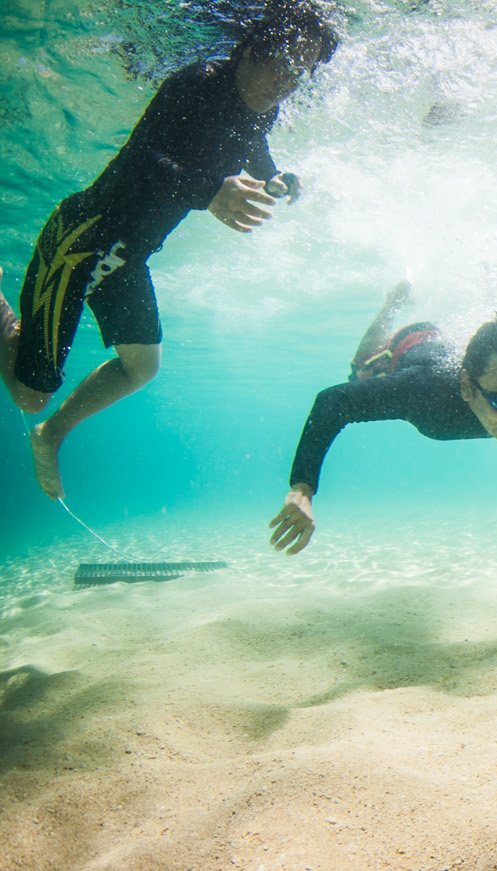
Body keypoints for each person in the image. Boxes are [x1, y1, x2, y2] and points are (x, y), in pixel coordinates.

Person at [0, 0, 340, 501]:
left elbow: (253, 150)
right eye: (283, 62)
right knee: (31, 395)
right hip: (82, 239)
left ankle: (51, 435)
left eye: (301, 71)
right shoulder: (200, 83)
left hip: (125, 259)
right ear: (249, 48)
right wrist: (210, 194)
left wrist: (277, 177)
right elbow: (145, 159)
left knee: (142, 366)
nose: (288, 81)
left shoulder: (261, 112)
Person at [267, 283, 497, 557]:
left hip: (450, 344)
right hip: (409, 343)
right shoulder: (421, 391)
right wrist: (302, 488)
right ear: (466, 387)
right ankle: (391, 305)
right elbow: (332, 401)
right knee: (361, 368)